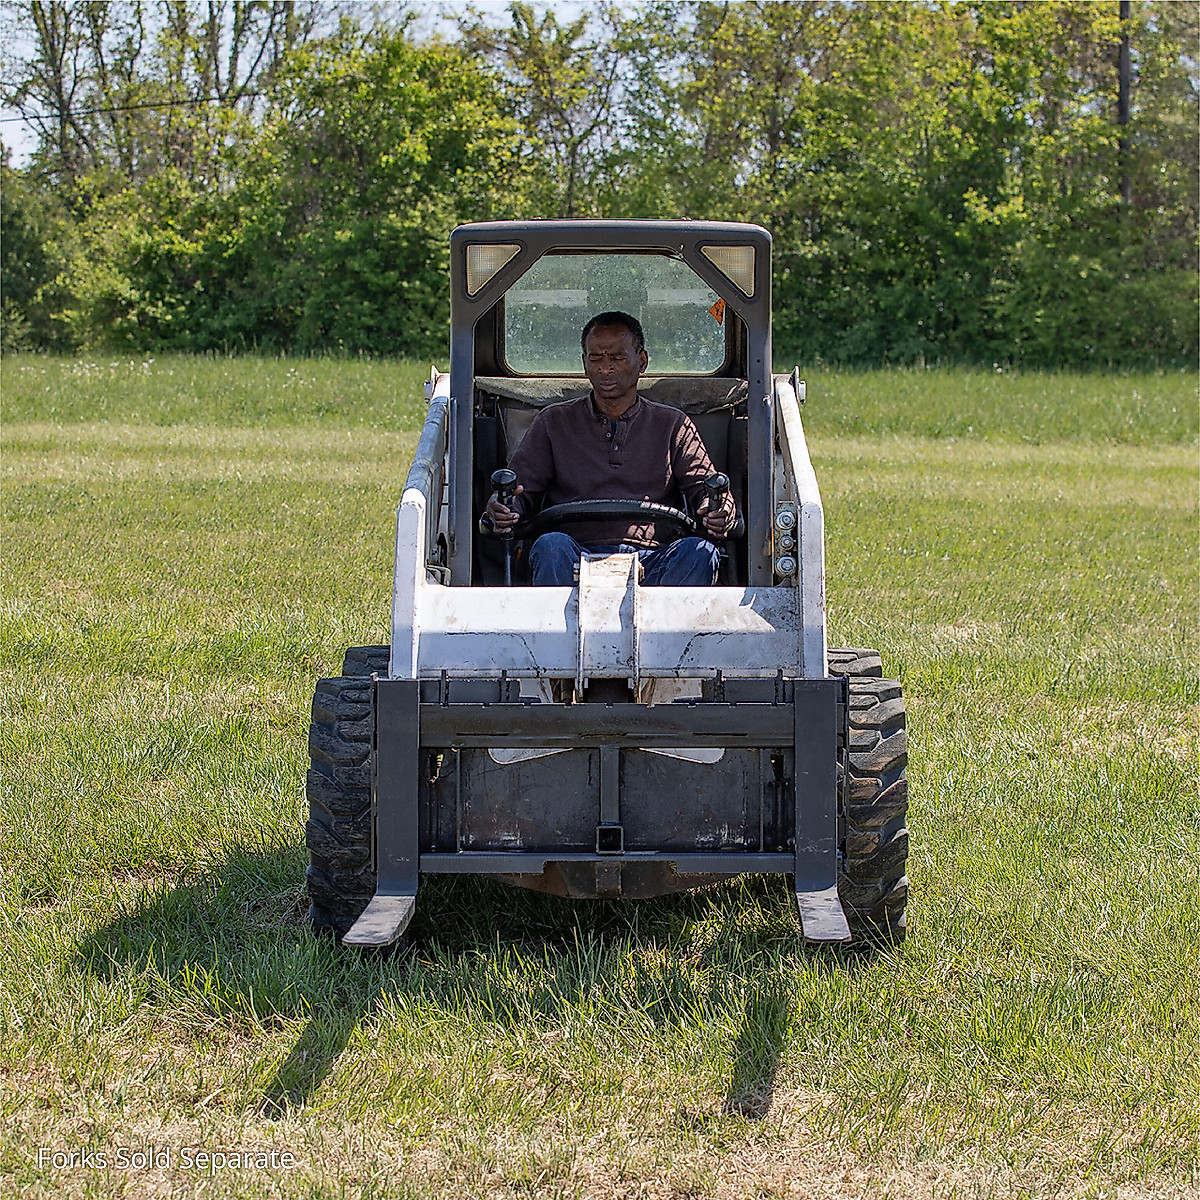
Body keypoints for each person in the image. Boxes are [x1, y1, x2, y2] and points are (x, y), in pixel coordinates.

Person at [485, 310, 737, 586]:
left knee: (699, 553)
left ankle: (669, 618)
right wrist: (503, 509)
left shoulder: (674, 424)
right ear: (584, 363)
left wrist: (719, 509)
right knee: (550, 546)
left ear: (642, 362)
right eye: (596, 359)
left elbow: (707, 489)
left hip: (656, 559)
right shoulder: (552, 422)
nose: (605, 368)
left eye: (617, 358)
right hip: (573, 555)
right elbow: (520, 491)